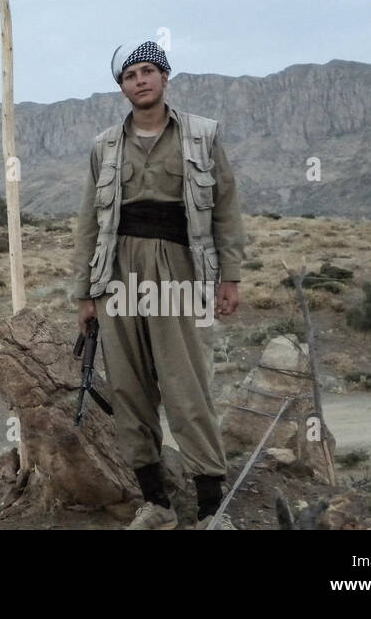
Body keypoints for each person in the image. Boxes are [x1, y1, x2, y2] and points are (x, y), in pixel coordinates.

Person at [71, 40, 246, 530]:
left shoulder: (203, 136)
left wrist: (230, 276)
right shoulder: (104, 146)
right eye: (130, 76)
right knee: (129, 389)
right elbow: (88, 222)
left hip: (181, 270)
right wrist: (84, 293)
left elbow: (226, 210)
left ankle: (211, 508)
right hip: (117, 274)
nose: (140, 80)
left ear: (165, 77)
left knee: (187, 386)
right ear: (122, 88)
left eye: (148, 71)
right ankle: (157, 505)